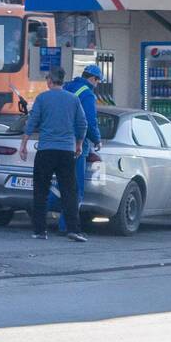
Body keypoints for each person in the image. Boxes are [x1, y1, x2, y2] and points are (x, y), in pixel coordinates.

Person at [19, 67, 87, 242]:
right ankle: (73, 229)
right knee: (69, 191)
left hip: (46, 150)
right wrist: (79, 144)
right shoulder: (73, 99)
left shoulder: (42, 98)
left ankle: (40, 231)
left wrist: (24, 143)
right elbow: (82, 124)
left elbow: (32, 121)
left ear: (50, 80)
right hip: (66, 151)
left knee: (41, 191)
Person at [53, 63, 103, 232]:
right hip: (75, 144)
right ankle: (68, 226)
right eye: (98, 81)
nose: (97, 84)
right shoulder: (87, 94)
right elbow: (88, 121)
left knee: (60, 185)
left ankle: (45, 213)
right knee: (75, 188)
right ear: (93, 78)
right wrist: (97, 139)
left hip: (56, 141)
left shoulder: (67, 87)